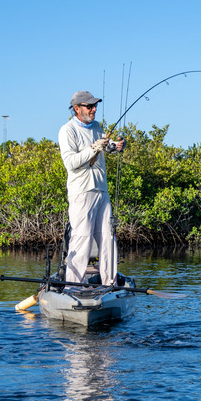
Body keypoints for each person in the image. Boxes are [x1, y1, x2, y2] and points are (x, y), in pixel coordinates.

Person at [58, 90, 124, 286]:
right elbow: (71, 162)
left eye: (95, 105)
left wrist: (116, 145)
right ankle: (73, 285)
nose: (94, 109)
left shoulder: (96, 126)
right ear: (77, 109)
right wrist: (94, 147)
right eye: (89, 106)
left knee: (108, 240)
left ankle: (109, 284)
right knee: (82, 239)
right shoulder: (67, 130)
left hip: (101, 191)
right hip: (82, 192)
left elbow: (106, 145)